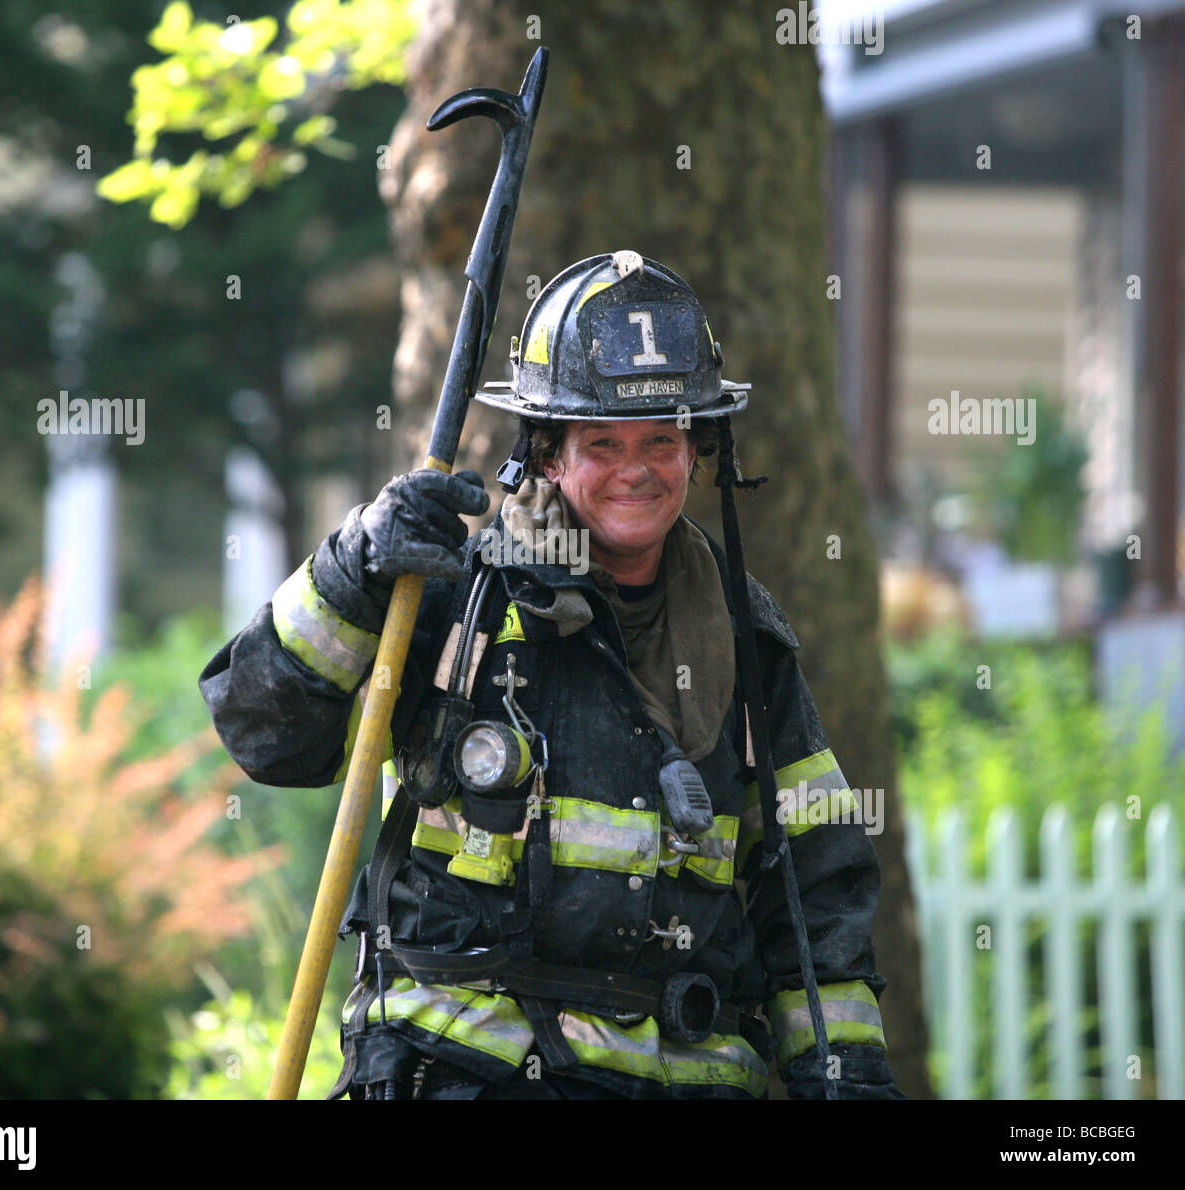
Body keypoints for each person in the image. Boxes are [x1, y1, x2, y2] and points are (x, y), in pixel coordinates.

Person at [200, 250, 903, 1100]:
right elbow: (266, 736)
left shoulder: (747, 640)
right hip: (466, 1074)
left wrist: (846, 1076)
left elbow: (815, 892)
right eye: (601, 443)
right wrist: (350, 571)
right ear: (547, 454)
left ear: (700, 449)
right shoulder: (455, 596)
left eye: (662, 440)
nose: (635, 469)